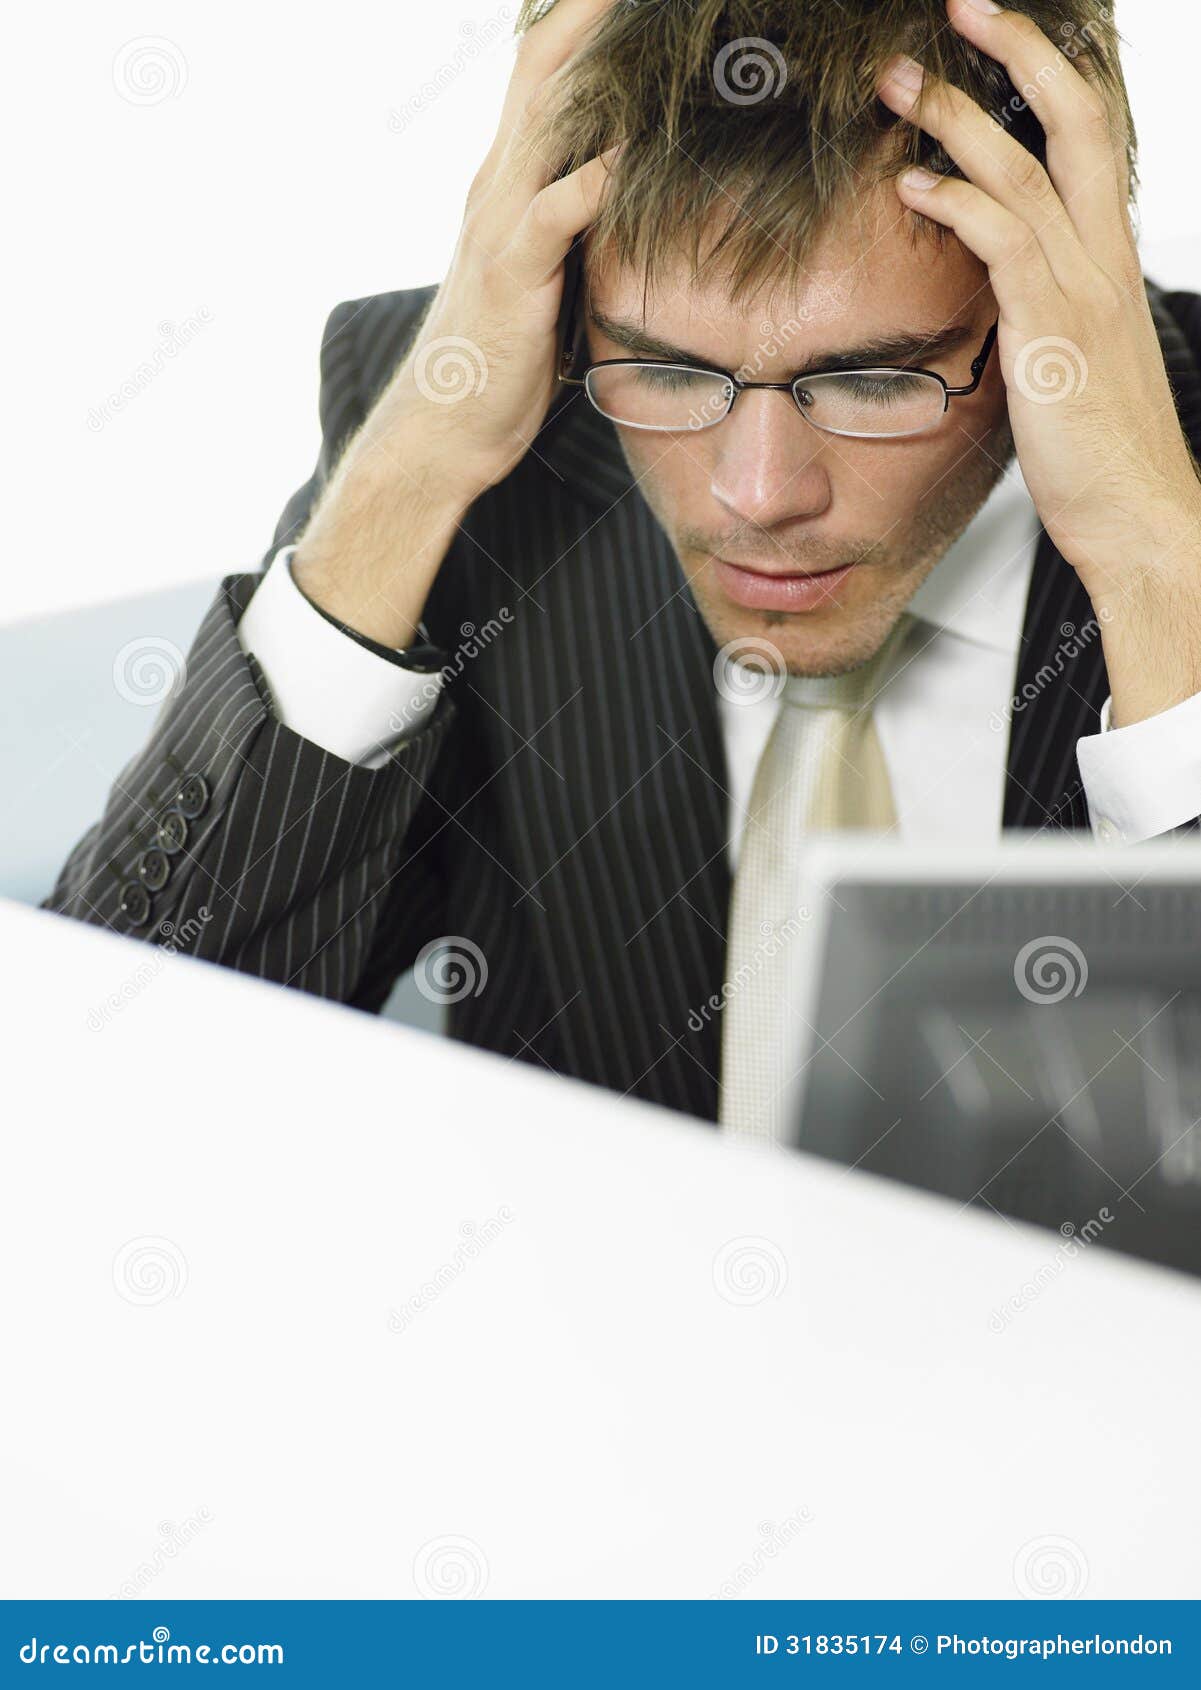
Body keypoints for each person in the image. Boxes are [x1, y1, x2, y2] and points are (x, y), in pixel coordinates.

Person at [45, 0, 1201, 1139]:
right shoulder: (476, 441)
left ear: (1047, 292)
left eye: (871, 382)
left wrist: (1157, 561)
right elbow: (89, 1092)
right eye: (662, 367)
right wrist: (411, 471)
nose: (758, 494)